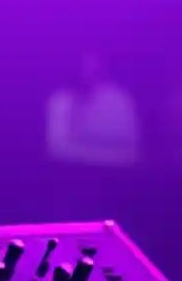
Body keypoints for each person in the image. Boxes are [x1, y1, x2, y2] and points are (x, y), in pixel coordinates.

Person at [44, 51, 140, 218]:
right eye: (84, 64)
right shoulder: (61, 100)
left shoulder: (119, 99)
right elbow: (58, 149)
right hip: (72, 183)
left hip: (114, 185)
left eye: (94, 64)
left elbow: (132, 152)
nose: (88, 70)